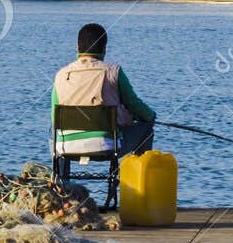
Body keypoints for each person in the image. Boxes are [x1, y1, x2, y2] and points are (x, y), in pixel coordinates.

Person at [51, 23, 155, 159]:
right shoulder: (114, 72)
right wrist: (150, 117)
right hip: (106, 147)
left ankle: (60, 176)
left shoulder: (61, 75)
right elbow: (133, 104)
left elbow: (54, 116)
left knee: (56, 135)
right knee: (146, 130)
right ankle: (136, 177)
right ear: (104, 48)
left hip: (66, 147)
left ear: (77, 48)